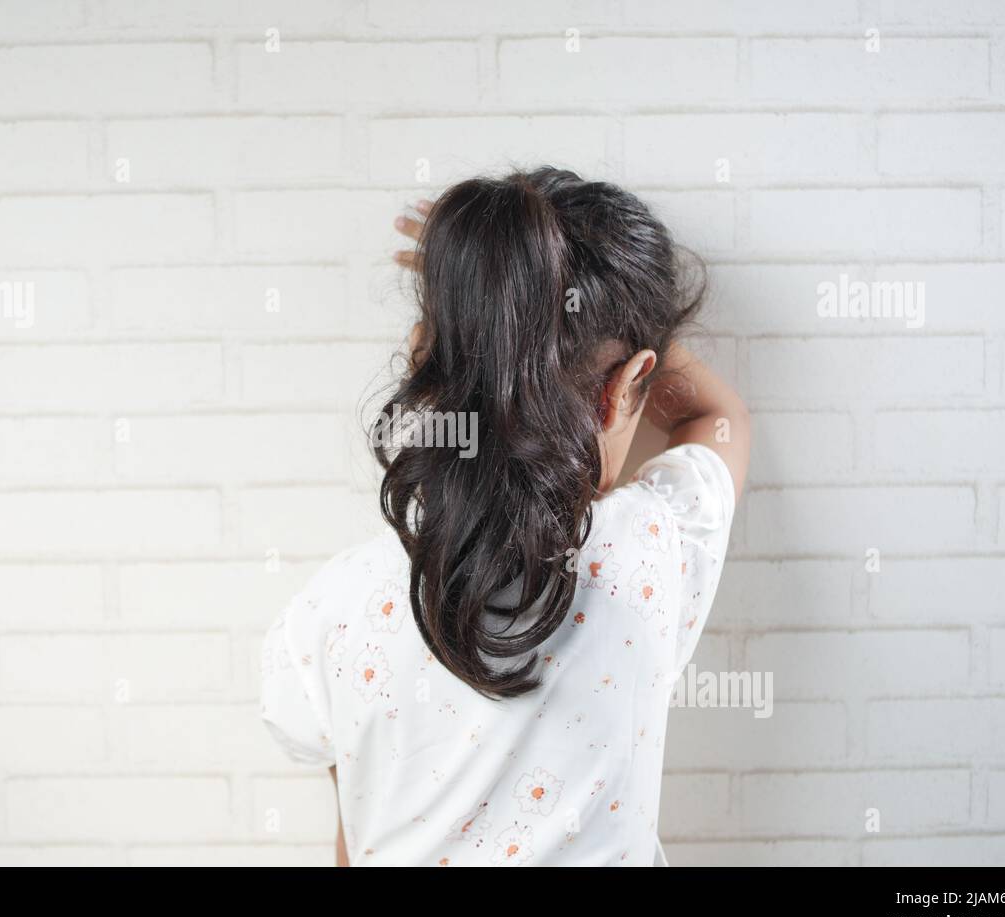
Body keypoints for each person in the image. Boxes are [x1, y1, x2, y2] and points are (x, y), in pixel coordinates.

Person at [260, 167, 749, 866]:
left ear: (427, 364)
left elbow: (354, 840)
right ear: (627, 386)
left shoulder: (330, 614)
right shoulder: (650, 555)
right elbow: (717, 418)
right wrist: (542, 300)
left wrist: (485, 290)